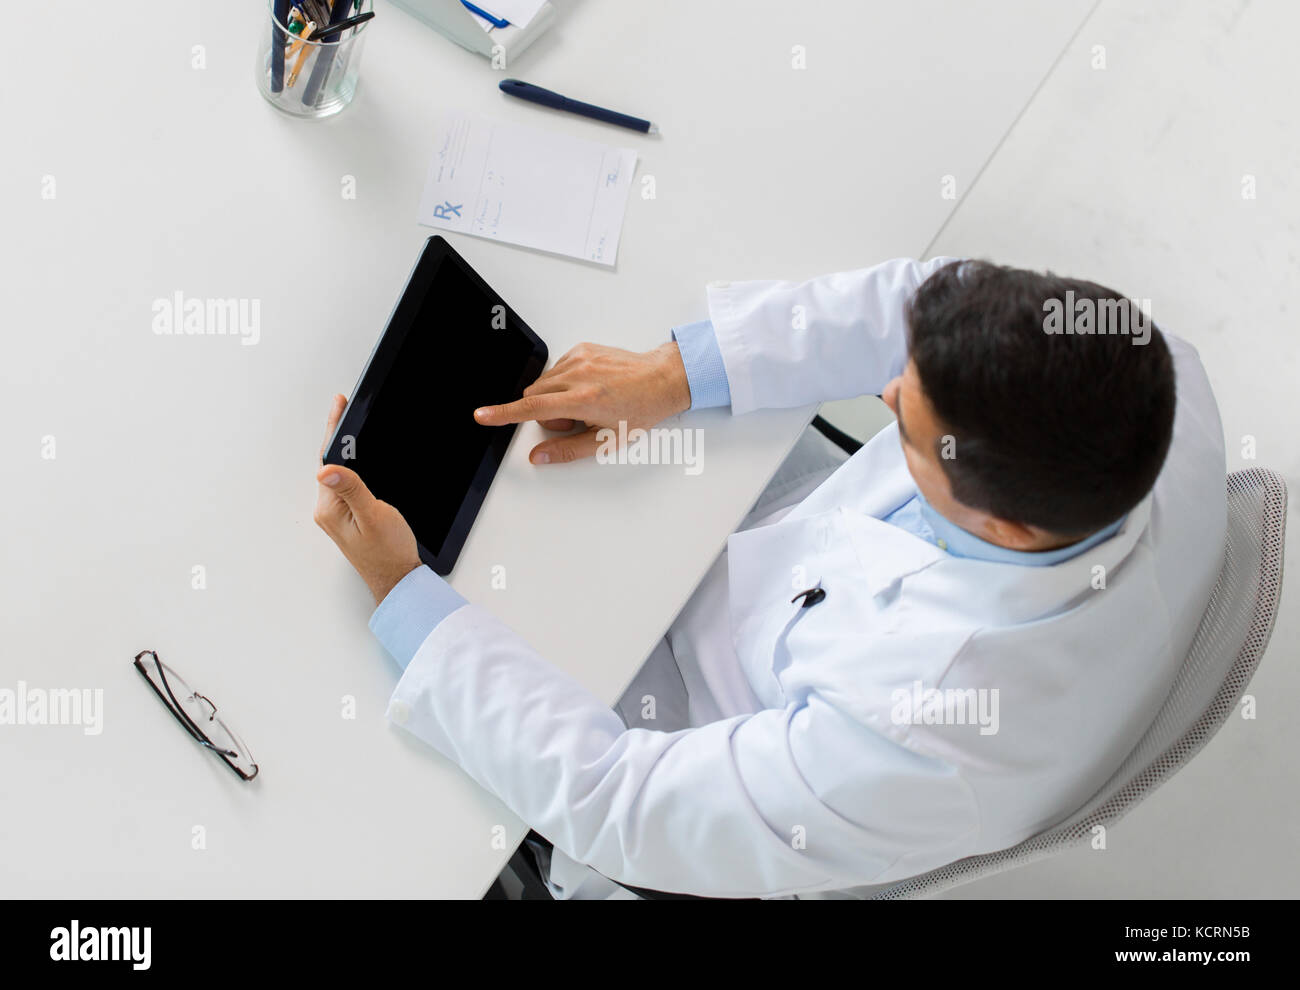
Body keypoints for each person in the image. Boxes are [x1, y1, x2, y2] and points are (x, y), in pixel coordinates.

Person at [313, 257, 1226, 898]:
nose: (881, 391)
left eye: (907, 425)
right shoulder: (1149, 365)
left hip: (703, 722)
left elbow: (614, 801)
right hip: (778, 550)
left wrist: (407, 597)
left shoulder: (926, 736)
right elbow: (928, 299)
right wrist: (676, 372)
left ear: (1003, 524)